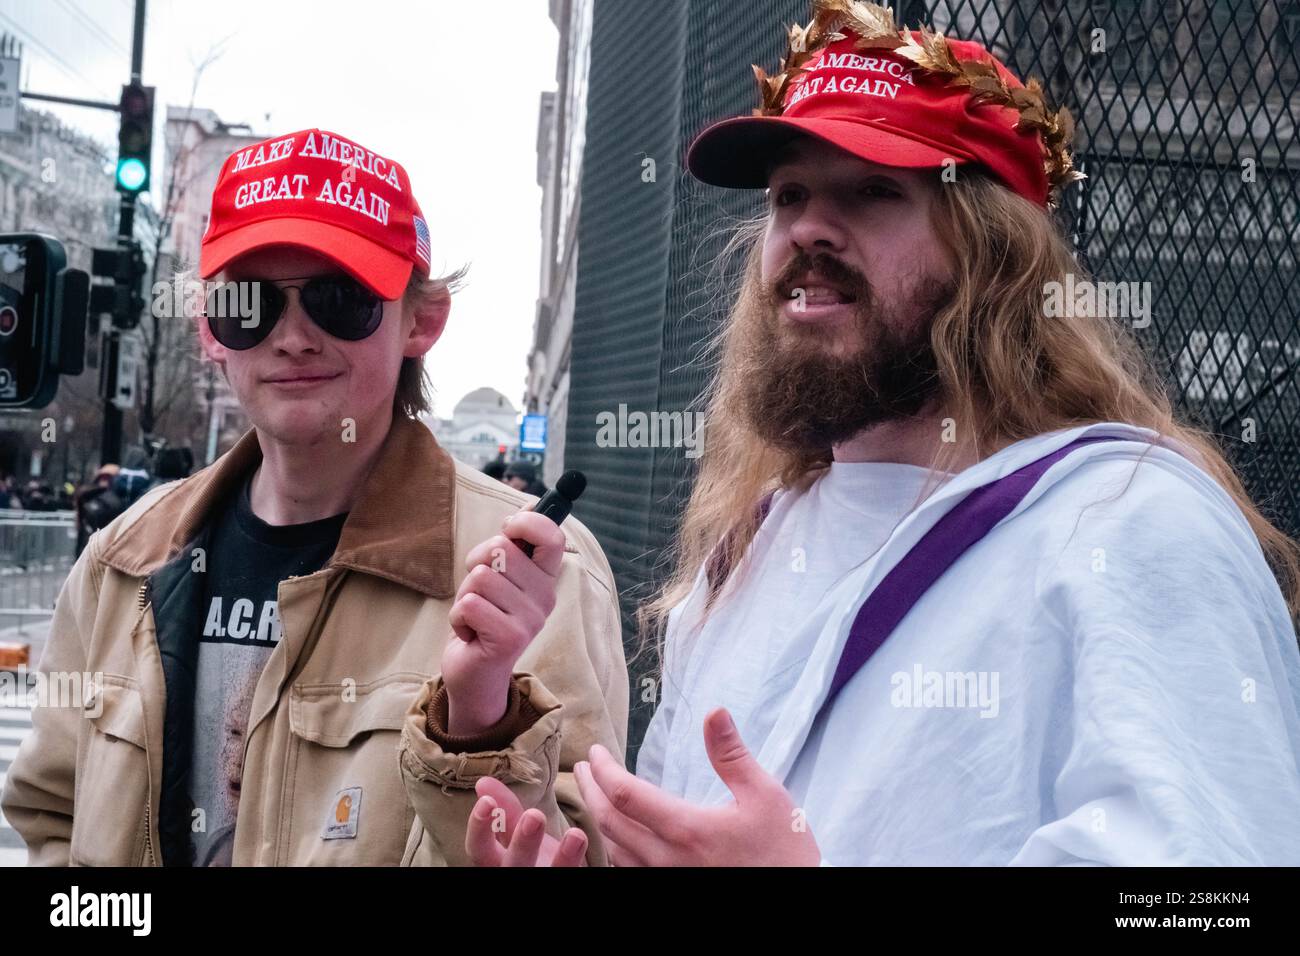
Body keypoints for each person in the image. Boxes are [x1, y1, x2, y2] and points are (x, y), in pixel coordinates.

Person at [468, 0, 1300, 866]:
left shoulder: (1130, 525)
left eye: (872, 190)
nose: (808, 229)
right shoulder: (745, 552)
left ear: (992, 256)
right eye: (790, 194)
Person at [3, 127, 627, 867]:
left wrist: (480, 720)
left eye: (338, 299)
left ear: (420, 321)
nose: (293, 337)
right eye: (249, 303)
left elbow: (584, 850)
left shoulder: (534, 573)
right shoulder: (123, 560)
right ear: (210, 330)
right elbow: (51, 815)